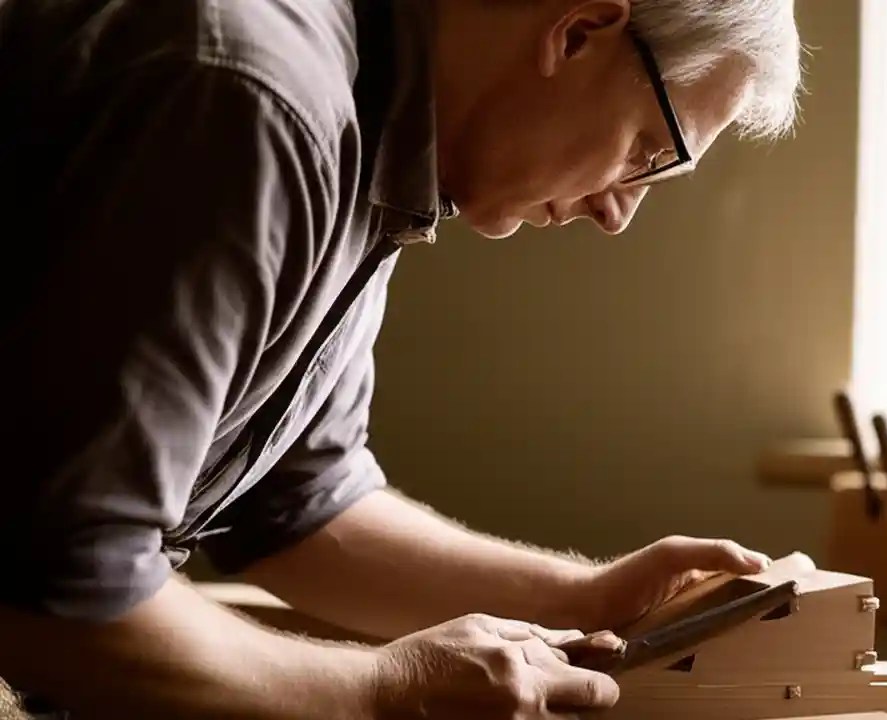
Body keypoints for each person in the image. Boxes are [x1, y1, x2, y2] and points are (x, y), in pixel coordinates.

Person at [0, 0, 804, 717]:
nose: (618, 211)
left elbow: (298, 504)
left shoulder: (383, 123)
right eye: (647, 151)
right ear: (580, 31)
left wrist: (585, 598)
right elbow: (56, 599)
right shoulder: (257, 100)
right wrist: (385, 689)